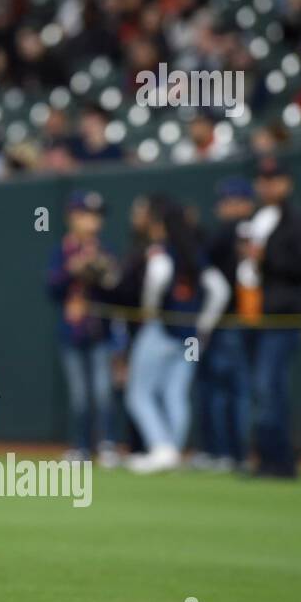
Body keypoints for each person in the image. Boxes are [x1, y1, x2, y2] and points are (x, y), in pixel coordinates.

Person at [125, 195, 230, 474]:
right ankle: (172, 449)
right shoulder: (194, 253)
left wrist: (149, 310)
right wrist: (204, 326)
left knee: (139, 394)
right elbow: (220, 290)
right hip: (190, 337)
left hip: (162, 329)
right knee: (175, 394)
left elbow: (158, 276)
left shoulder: (164, 251)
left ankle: (162, 448)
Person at [240, 155, 301, 478]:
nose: (268, 184)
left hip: (282, 317)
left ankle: (280, 461)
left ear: (287, 183)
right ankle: (267, 459)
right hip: (254, 315)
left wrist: (266, 256)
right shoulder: (258, 218)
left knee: (270, 387)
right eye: (263, 179)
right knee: (262, 389)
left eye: (274, 179)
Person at [46, 189, 120, 465]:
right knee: (79, 395)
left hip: (101, 330)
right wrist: (73, 269)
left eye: (96, 215)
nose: (93, 221)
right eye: (87, 215)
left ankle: (108, 445)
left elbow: (116, 287)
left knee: (103, 391)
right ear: (72, 217)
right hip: (72, 332)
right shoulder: (63, 250)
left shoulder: (105, 249)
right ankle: (81, 447)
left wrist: (101, 270)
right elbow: (51, 288)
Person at [193, 176, 255, 470]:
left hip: (225, 322)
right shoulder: (253, 231)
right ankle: (235, 454)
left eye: (229, 200)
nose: (222, 206)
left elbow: (208, 272)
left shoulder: (231, 231)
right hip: (241, 322)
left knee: (222, 389)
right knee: (235, 390)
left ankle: (225, 453)